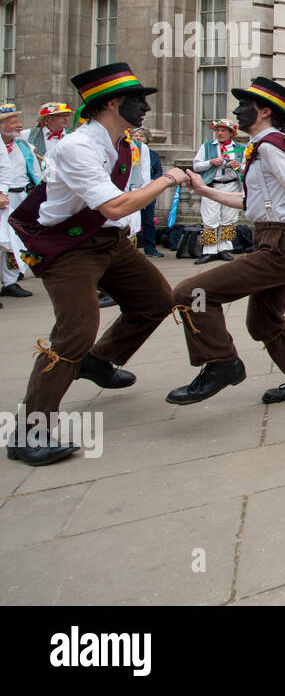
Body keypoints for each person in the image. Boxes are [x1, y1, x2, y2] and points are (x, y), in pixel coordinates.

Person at [7, 63, 185, 466]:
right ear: (114, 103)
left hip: (110, 242)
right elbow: (114, 204)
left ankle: (99, 361)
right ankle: (27, 433)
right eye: (140, 100)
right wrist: (169, 179)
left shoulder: (121, 142)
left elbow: (120, 208)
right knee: (73, 334)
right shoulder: (77, 147)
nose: (146, 108)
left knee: (157, 300)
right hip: (69, 249)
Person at [165, 78, 285, 406]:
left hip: (283, 245)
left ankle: (221, 363)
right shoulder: (264, 146)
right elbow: (250, 202)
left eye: (244, 105)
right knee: (263, 321)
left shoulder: (270, 145)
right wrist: (205, 190)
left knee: (190, 293)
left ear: (265, 111)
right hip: (274, 240)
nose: (236, 111)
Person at [0, 104, 42, 299]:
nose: (19, 125)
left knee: (17, 239)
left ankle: (10, 281)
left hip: (21, 196)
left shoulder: (23, 145)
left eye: (17, 121)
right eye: (13, 122)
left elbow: (35, 171)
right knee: (4, 241)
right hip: (2, 198)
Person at [191, 118, 246, 264]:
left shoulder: (241, 148)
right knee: (210, 219)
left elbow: (247, 169)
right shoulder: (207, 146)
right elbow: (196, 166)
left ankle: (224, 249)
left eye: (223, 131)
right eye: (218, 130)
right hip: (212, 186)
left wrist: (238, 166)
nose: (220, 133)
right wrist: (211, 162)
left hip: (232, 186)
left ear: (231, 133)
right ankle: (209, 251)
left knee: (229, 218)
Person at [129, 126, 165, 258]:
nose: (138, 137)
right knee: (130, 220)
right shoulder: (128, 152)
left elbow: (158, 172)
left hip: (148, 190)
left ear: (147, 139)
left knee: (148, 220)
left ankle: (150, 249)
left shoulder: (153, 154)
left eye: (141, 136)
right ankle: (130, 249)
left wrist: (151, 181)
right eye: (135, 135)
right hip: (132, 190)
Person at [23, 101, 73, 183]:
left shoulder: (71, 138)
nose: (66, 118)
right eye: (61, 115)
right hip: (35, 186)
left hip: (62, 185)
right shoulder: (28, 135)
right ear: (48, 118)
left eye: (67, 115)